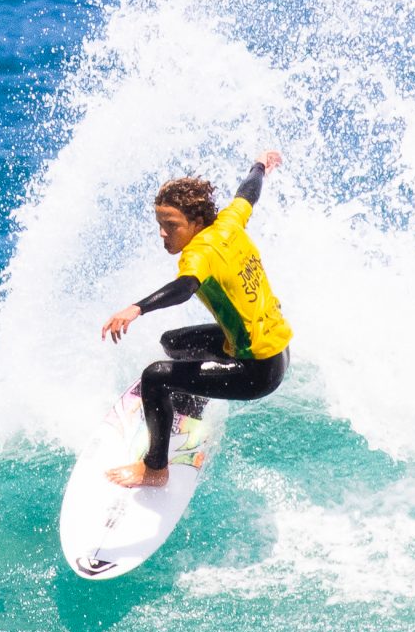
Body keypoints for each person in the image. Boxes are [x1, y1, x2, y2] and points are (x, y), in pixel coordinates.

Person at [100, 151, 293, 488]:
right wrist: (259, 166)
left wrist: (137, 308)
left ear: (197, 222)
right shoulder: (229, 223)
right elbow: (247, 193)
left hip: (257, 371)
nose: (163, 233)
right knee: (174, 343)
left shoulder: (199, 253)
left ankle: (155, 469)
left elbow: (184, 287)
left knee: (155, 376)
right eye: (160, 224)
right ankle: (192, 399)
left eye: (171, 226)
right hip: (273, 346)